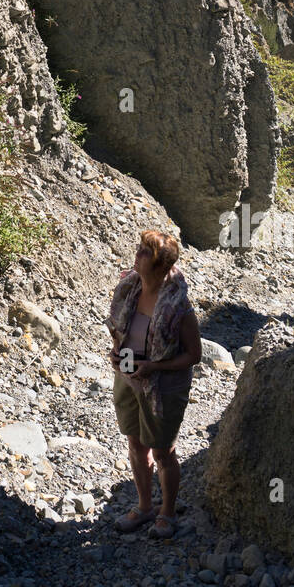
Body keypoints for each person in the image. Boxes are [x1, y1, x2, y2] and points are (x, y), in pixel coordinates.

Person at [105, 228, 202, 537]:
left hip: (163, 387)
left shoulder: (178, 306)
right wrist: (116, 353)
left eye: (146, 252)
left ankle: (167, 512)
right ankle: (145, 507)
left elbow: (193, 355)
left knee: (162, 452)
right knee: (135, 443)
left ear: (160, 265)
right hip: (129, 379)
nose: (138, 254)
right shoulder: (129, 288)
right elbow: (120, 329)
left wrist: (155, 366)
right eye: (140, 248)